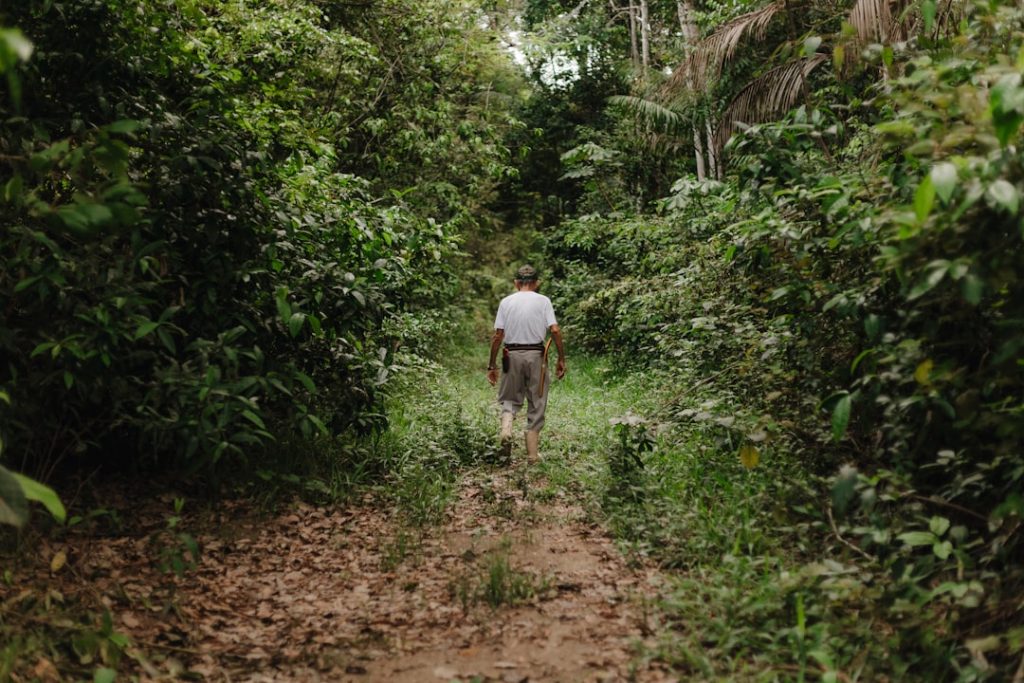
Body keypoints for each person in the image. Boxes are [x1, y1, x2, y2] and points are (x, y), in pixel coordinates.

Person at [486, 264, 566, 460]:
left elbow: (498, 335)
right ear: (536, 283)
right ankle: (532, 455)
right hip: (537, 356)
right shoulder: (544, 301)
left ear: (516, 283)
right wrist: (561, 358)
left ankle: (506, 430)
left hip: (511, 355)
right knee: (537, 402)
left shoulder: (506, 302)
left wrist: (492, 365)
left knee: (509, 398)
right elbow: (555, 330)